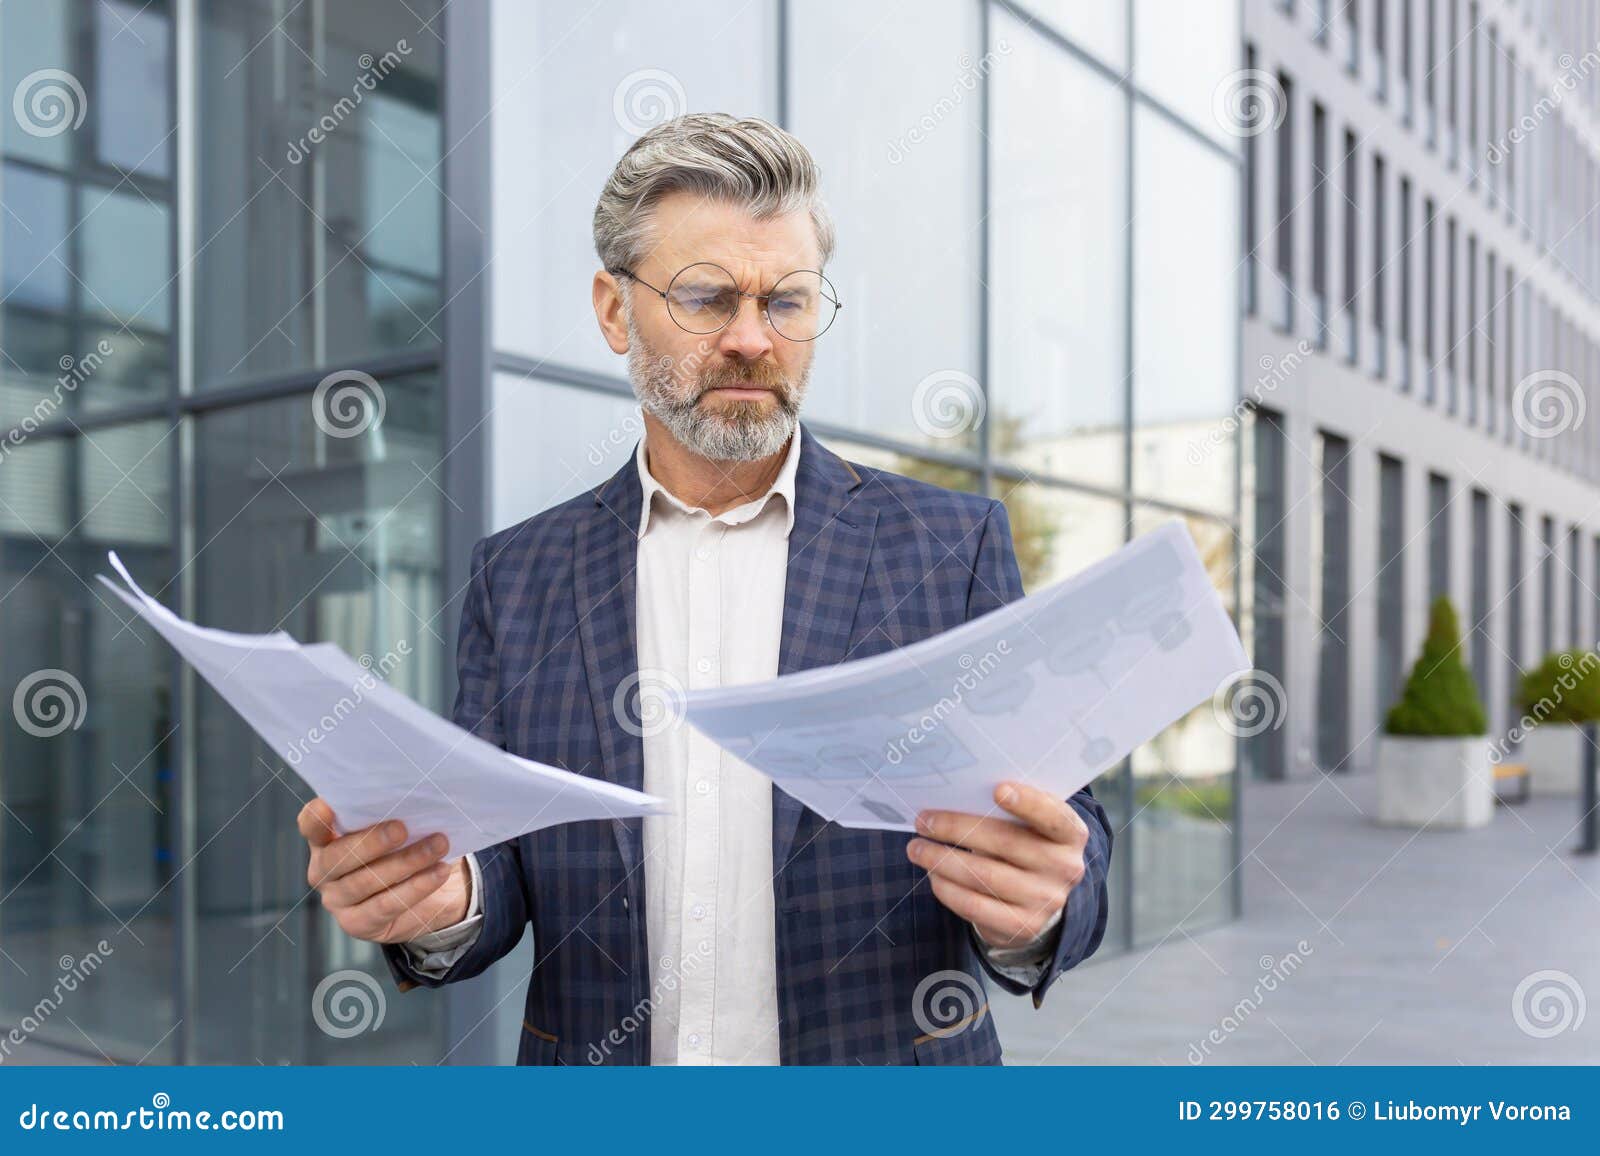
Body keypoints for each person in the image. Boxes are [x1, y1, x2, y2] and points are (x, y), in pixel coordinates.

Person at [298, 112, 1111, 1065]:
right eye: (706, 297)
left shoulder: (947, 548)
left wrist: (1041, 905)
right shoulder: (518, 577)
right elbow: (499, 865)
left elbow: (1069, 839)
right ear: (614, 310)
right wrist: (443, 903)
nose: (751, 340)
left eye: (788, 303)